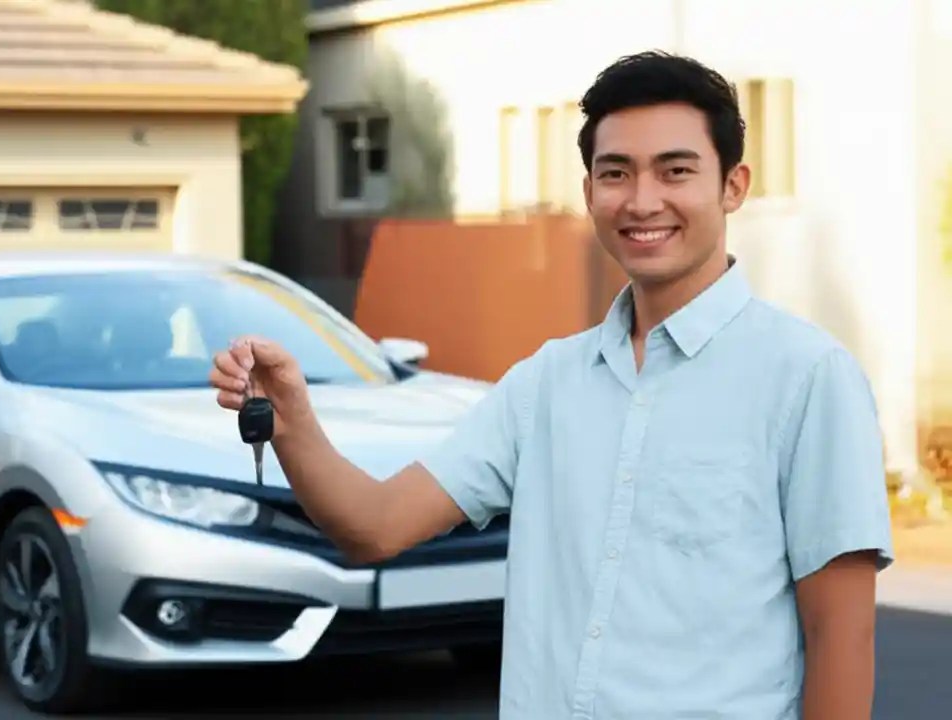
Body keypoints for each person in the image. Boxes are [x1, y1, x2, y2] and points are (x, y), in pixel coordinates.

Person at [210, 50, 893, 719]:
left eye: (675, 171)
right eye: (615, 172)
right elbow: (375, 526)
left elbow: (840, 636)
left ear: (733, 186)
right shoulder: (545, 383)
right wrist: (293, 417)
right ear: (590, 189)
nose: (642, 200)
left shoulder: (806, 377)